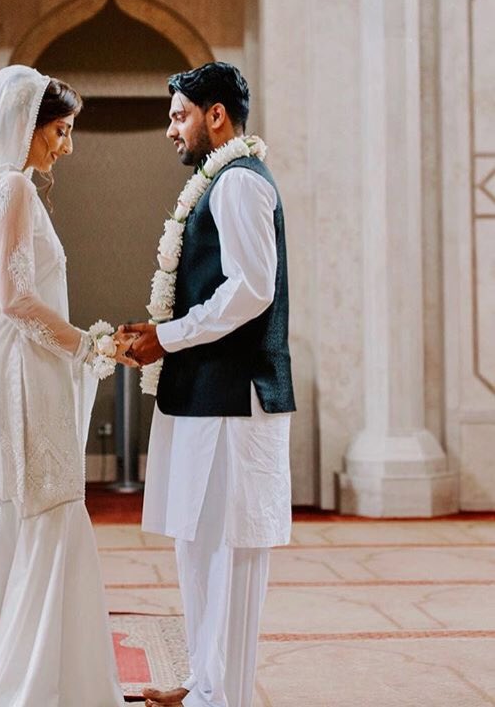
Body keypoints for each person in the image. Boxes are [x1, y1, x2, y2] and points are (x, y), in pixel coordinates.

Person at [0, 65, 127, 707]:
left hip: (30, 367)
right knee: (49, 506)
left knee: (37, 512)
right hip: (32, 372)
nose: (66, 145)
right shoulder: (12, 186)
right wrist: (86, 344)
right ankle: (31, 686)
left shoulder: (1, 186)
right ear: (28, 126)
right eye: (61, 130)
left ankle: (41, 679)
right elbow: (15, 298)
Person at [116, 62, 296, 707]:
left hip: (236, 397)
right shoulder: (214, 183)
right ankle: (202, 684)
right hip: (200, 396)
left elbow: (250, 290)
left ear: (215, 115)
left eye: (179, 115)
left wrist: (167, 336)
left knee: (231, 551)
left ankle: (229, 697)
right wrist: (164, 334)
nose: (171, 129)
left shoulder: (240, 185)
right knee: (196, 540)